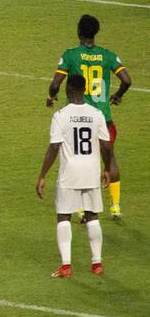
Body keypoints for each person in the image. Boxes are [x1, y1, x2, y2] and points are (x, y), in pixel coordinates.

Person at [48, 14, 130, 218]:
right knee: (109, 159)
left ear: (78, 31)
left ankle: (80, 207)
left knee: (76, 158)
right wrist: (118, 95)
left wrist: (51, 97)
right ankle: (115, 206)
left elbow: (56, 84)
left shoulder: (71, 55)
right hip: (103, 117)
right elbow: (127, 80)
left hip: (77, 118)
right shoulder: (108, 55)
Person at [37, 73, 118, 277]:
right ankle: (97, 263)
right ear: (84, 90)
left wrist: (42, 175)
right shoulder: (97, 114)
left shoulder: (61, 115)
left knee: (64, 215)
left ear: (68, 89)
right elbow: (106, 146)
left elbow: (54, 147)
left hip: (69, 172)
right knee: (92, 215)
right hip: (91, 171)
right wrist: (107, 169)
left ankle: (66, 266)